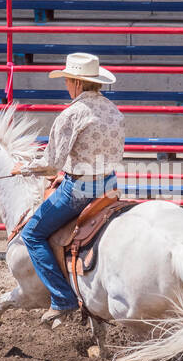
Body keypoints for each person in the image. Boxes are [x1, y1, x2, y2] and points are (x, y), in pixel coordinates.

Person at [14, 52, 125, 326]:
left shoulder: (71, 114)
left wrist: (24, 168)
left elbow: (52, 164)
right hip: (109, 186)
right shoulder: (114, 111)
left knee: (32, 234)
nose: (66, 85)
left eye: (67, 80)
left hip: (79, 190)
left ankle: (62, 298)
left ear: (76, 82)